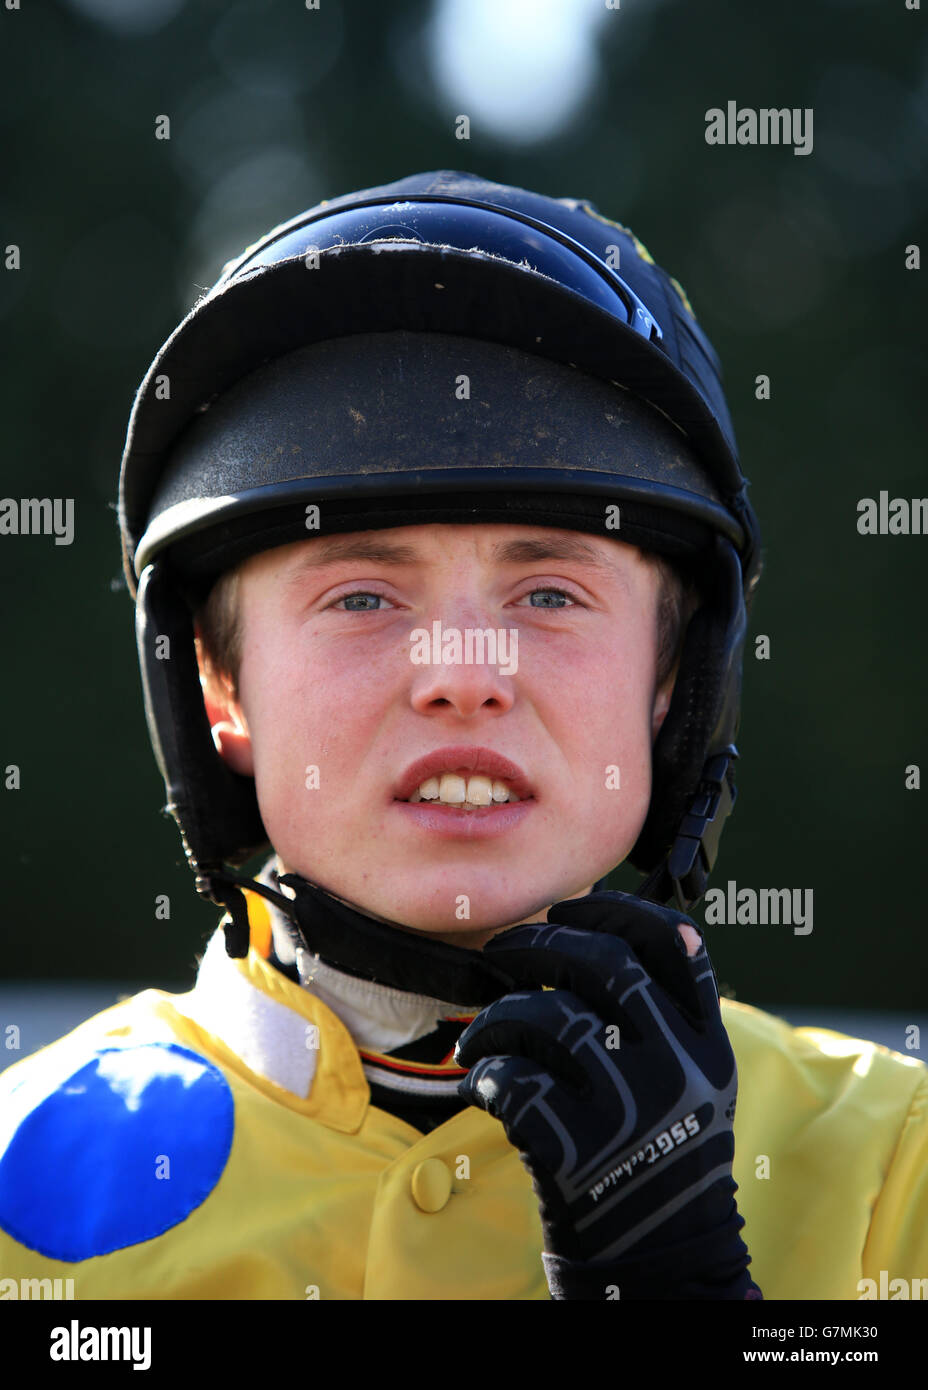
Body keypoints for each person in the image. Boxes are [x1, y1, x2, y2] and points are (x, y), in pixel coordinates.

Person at [0, 171, 924, 1302]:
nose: (462, 677)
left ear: (673, 681)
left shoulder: (897, 1163)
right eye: (360, 598)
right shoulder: (13, 1181)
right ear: (218, 687)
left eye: (548, 593)